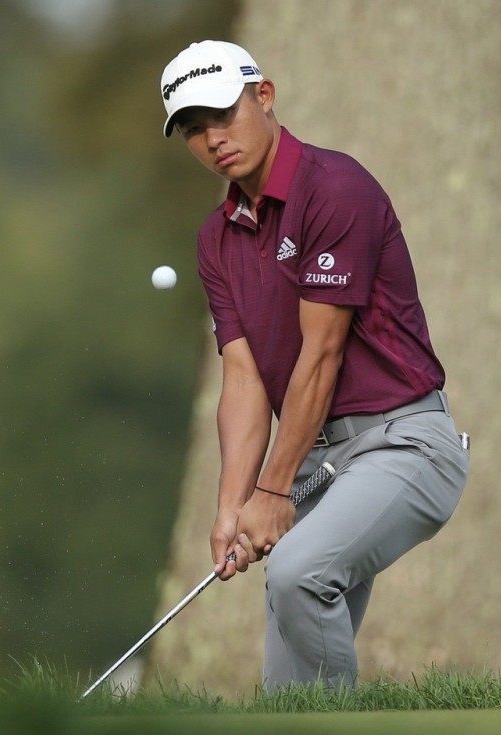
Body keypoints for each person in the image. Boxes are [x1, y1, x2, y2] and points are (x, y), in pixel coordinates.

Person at [159, 40, 469, 690]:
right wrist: (231, 505)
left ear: (263, 97)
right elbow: (242, 380)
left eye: (222, 113)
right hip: (315, 460)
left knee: (300, 570)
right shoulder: (216, 239)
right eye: (193, 127)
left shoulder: (334, 188)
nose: (212, 137)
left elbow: (321, 355)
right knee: (288, 635)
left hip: (406, 443)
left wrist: (271, 495)